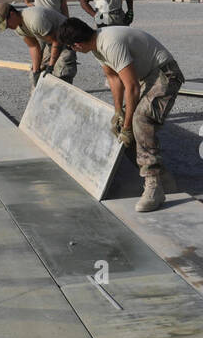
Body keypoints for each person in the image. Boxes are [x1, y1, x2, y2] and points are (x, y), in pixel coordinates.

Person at [56, 18, 183, 212]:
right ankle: (163, 180)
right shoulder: (96, 46)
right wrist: (119, 113)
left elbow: (131, 86)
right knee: (125, 121)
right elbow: (113, 78)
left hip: (165, 74)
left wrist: (128, 125)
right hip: (148, 77)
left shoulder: (109, 43)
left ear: (77, 45)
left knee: (140, 119)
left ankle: (154, 186)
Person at [0, 2, 77, 86]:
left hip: (67, 38)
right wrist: (36, 72)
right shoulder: (17, 27)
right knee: (39, 72)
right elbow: (33, 46)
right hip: (52, 41)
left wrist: (51, 66)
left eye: (7, 24)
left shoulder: (35, 19)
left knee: (62, 70)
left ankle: (63, 96)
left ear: (12, 14)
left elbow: (56, 41)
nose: (8, 27)